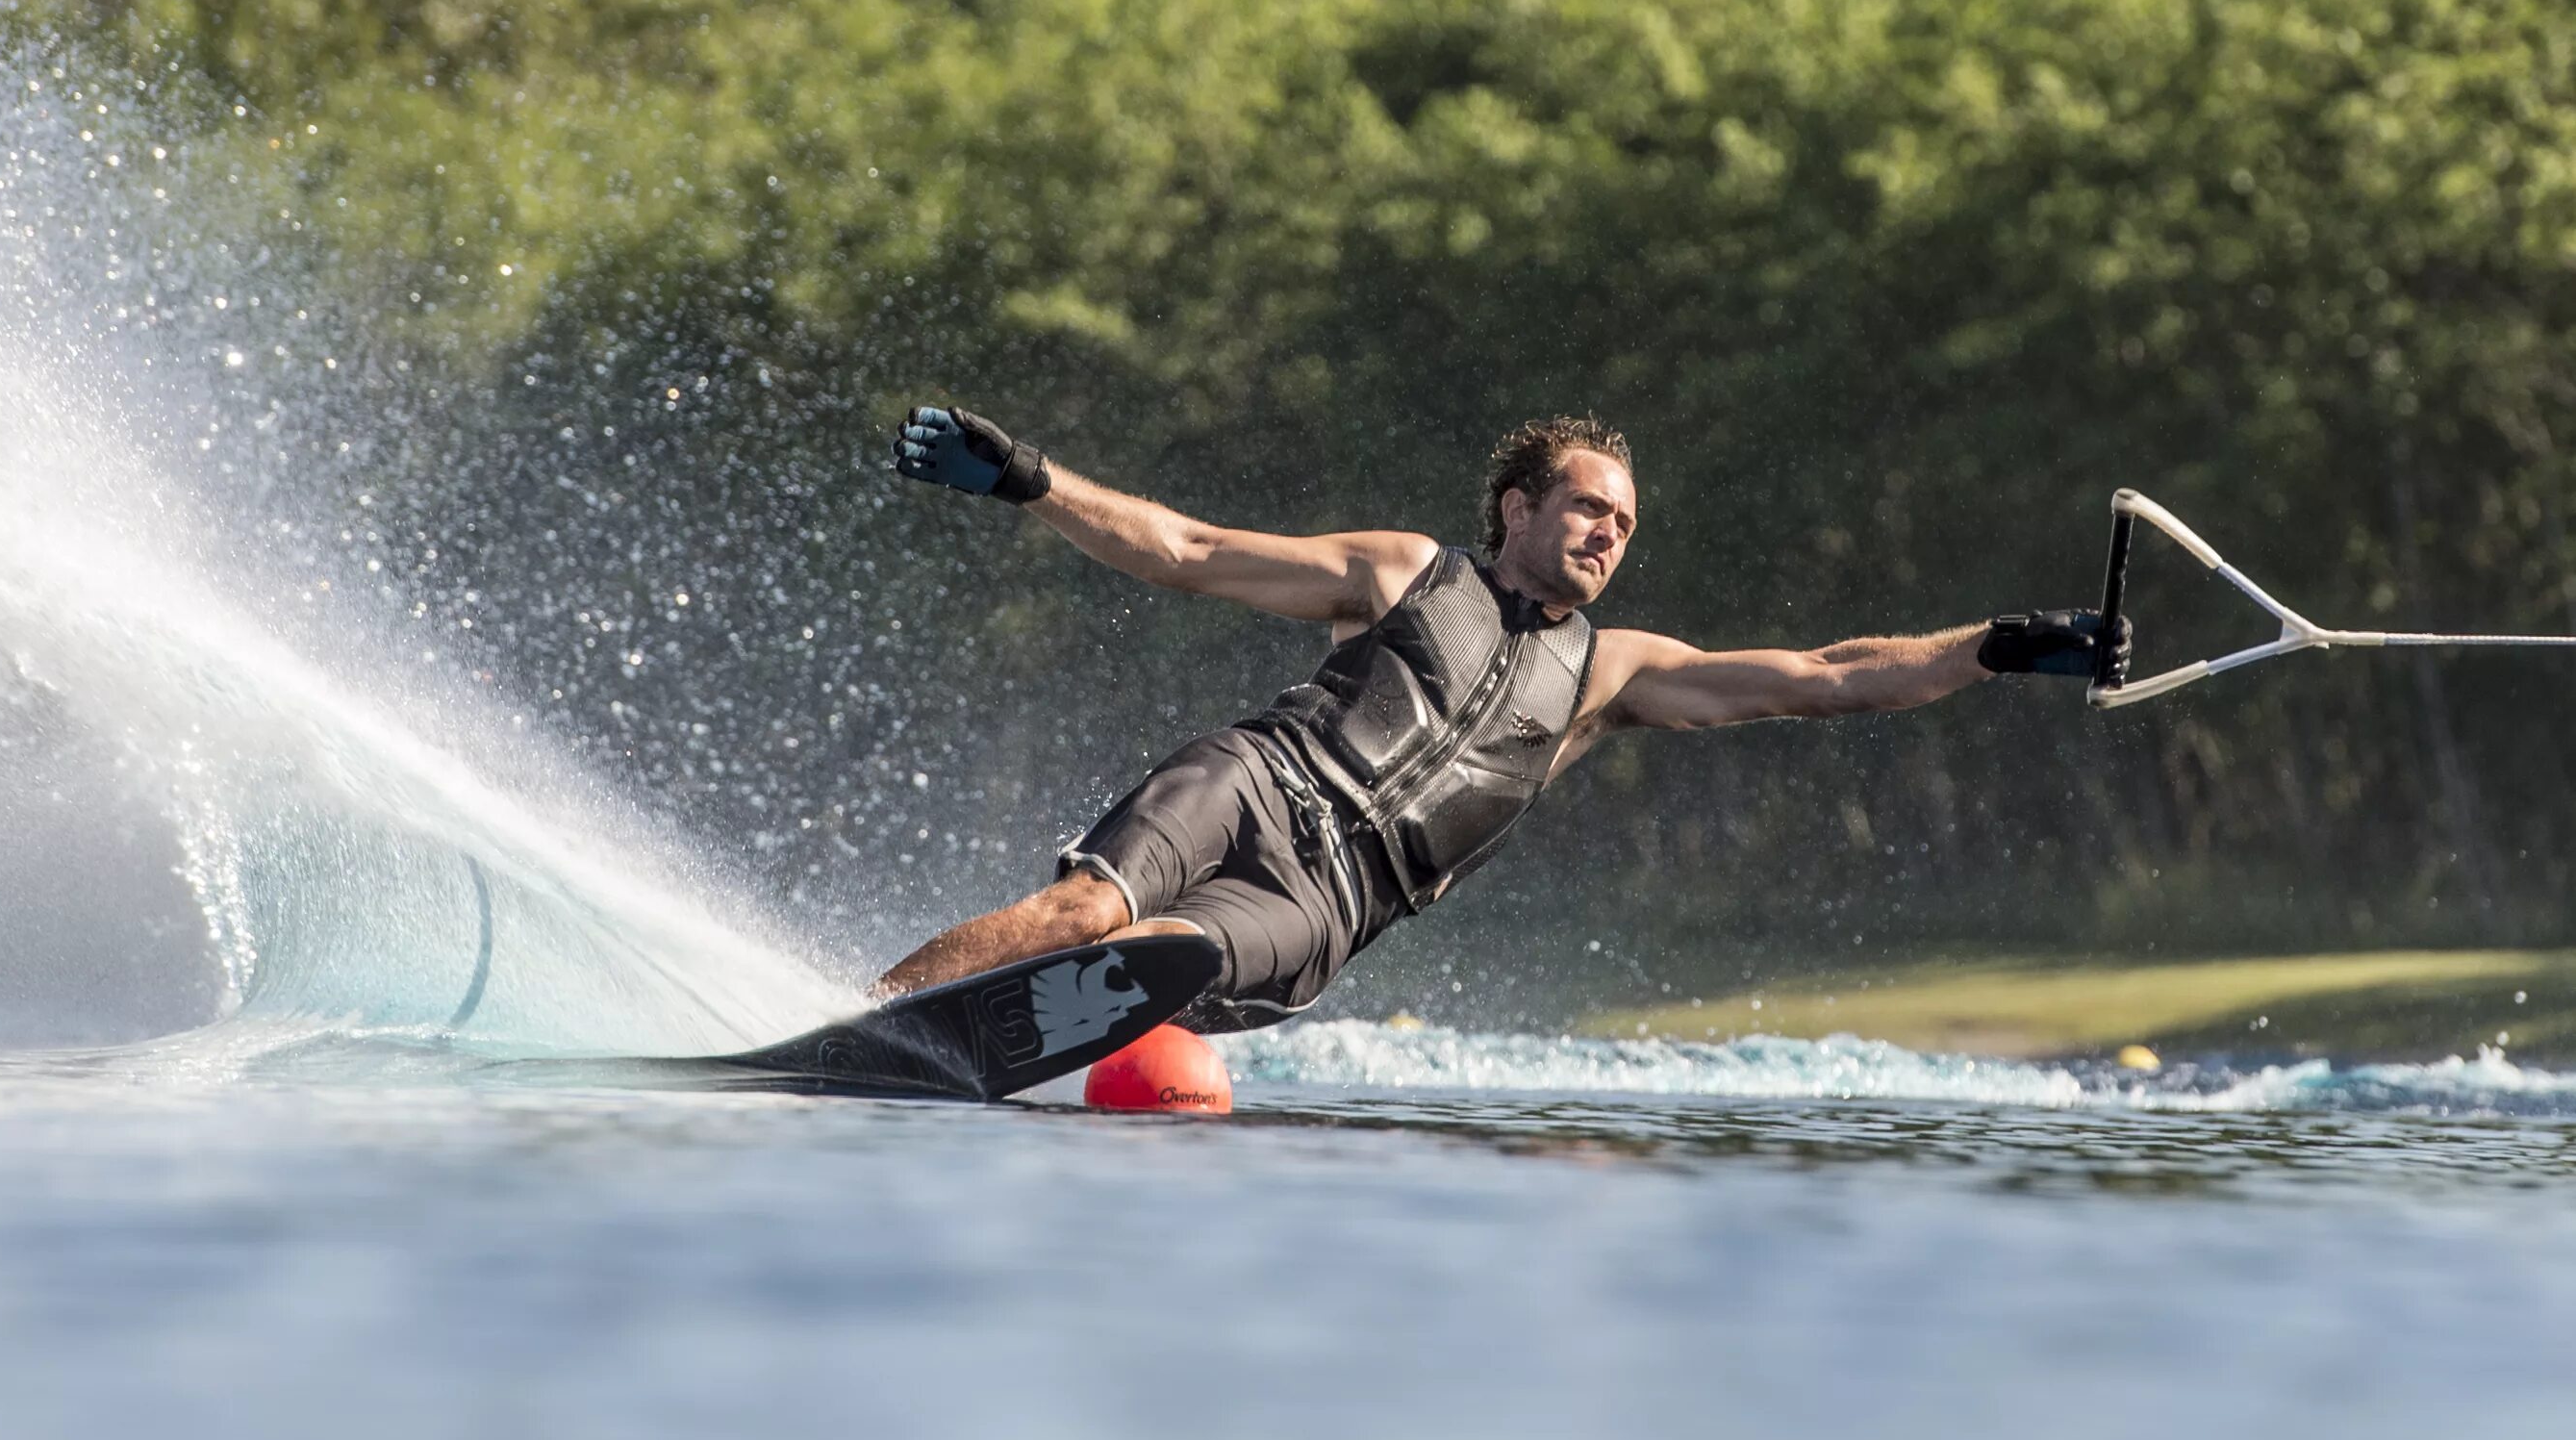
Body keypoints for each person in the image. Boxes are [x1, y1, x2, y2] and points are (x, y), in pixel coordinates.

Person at [874, 405, 2126, 1029]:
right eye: (1587, 508)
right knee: (1085, 912)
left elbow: (1829, 675)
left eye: (1624, 526)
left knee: (1170, 959)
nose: (1606, 534)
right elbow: (1191, 551)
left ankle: (1040, 1028)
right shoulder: (1401, 569)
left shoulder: (1614, 672)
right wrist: (1036, 482)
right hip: (1259, 780)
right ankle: (858, 1025)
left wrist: (1997, 647)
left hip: (1327, 901)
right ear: (1518, 506)